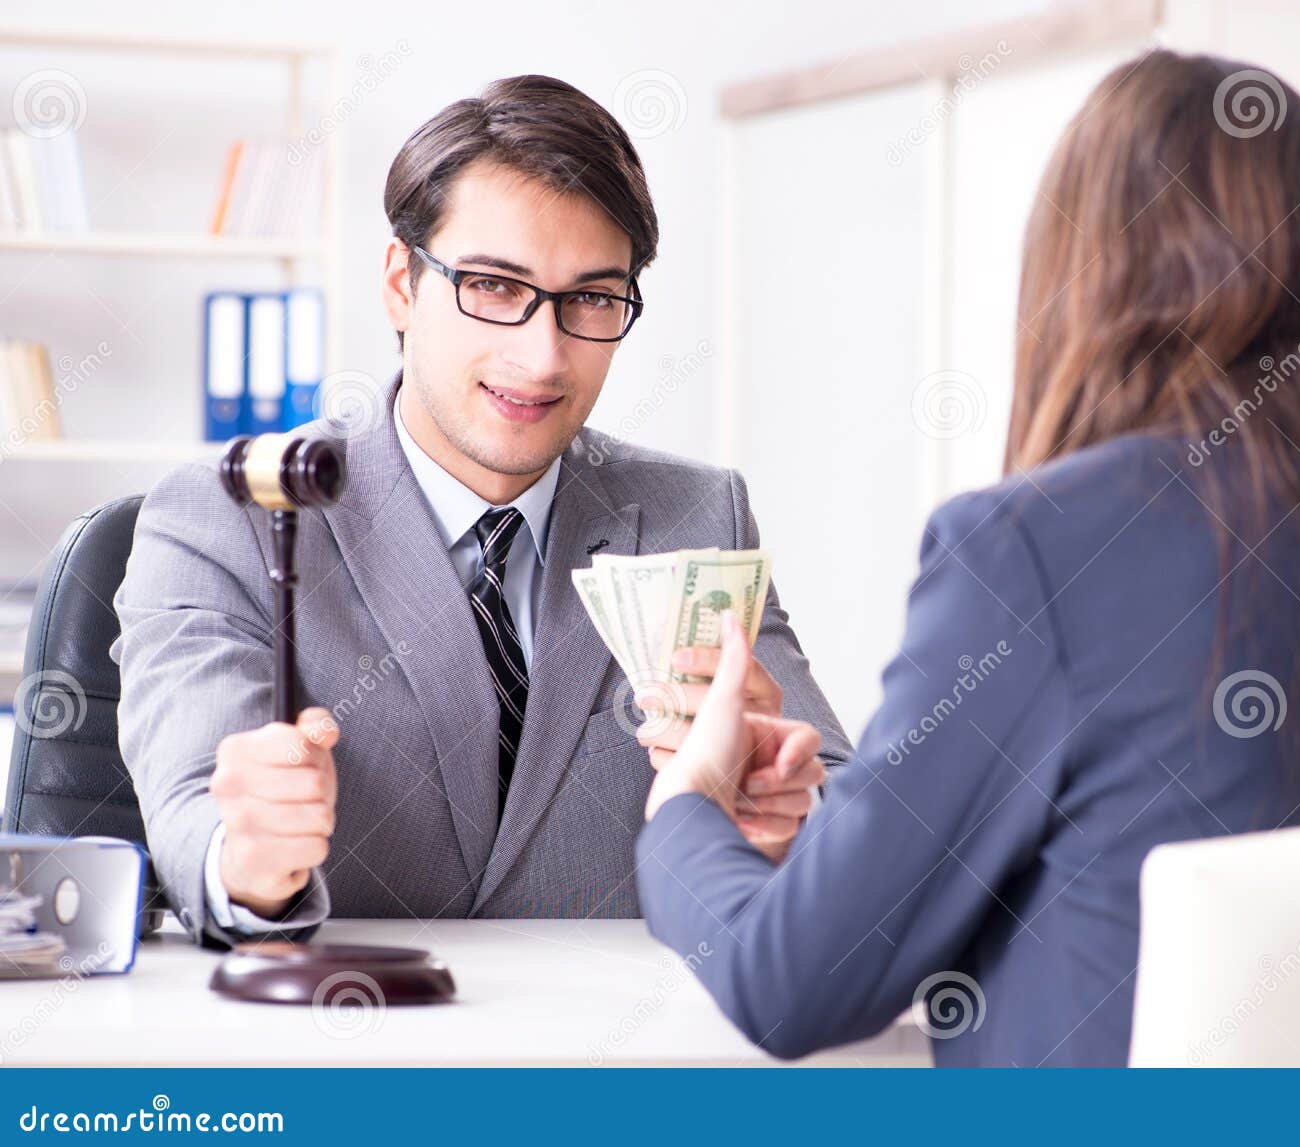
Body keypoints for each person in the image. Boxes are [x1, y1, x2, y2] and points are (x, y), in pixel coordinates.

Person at [631, 50, 1300, 1066]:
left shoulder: (1037, 547)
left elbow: (791, 984)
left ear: (1082, 276)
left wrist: (683, 809)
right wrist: (838, 849)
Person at [112, 76, 848, 950]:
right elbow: (198, 809)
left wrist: (790, 812)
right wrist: (249, 863)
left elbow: (841, 801)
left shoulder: (695, 512)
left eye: (591, 298)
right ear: (400, 283)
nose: (542, 356)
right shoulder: (231, 512)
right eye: (496, 287)